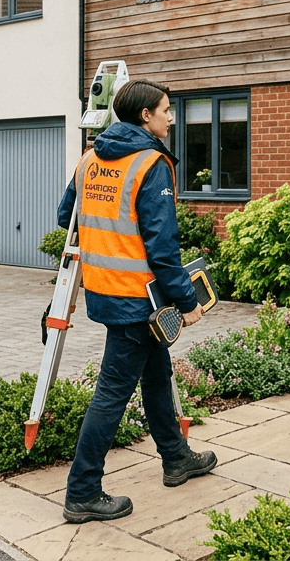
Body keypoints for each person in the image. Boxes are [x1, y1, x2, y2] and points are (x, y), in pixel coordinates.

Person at [57, 79, 216, 524]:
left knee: (156, 372)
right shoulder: (151, 164)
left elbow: (64, 217)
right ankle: (83, 491)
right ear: (145, 116)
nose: (171, 116)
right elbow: (163, 247)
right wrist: (187, 302)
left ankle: (176, 457)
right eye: (166, 109)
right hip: (140, 299)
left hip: (106, 289)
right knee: (111, 394)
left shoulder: (90, 159)